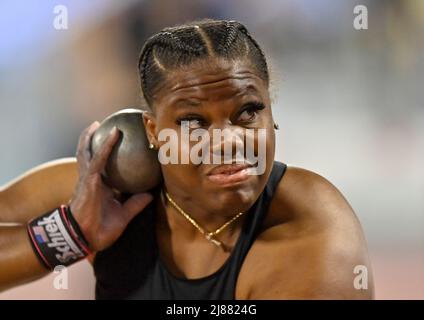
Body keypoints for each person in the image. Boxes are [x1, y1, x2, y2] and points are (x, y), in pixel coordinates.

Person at [0, 19, 373, 299]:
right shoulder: (105, 196)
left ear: (271, 113)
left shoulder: (310, 225)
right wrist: (72, 232)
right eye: (193, 121)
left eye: (247, 112)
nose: (228, 141)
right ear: (152, 132)